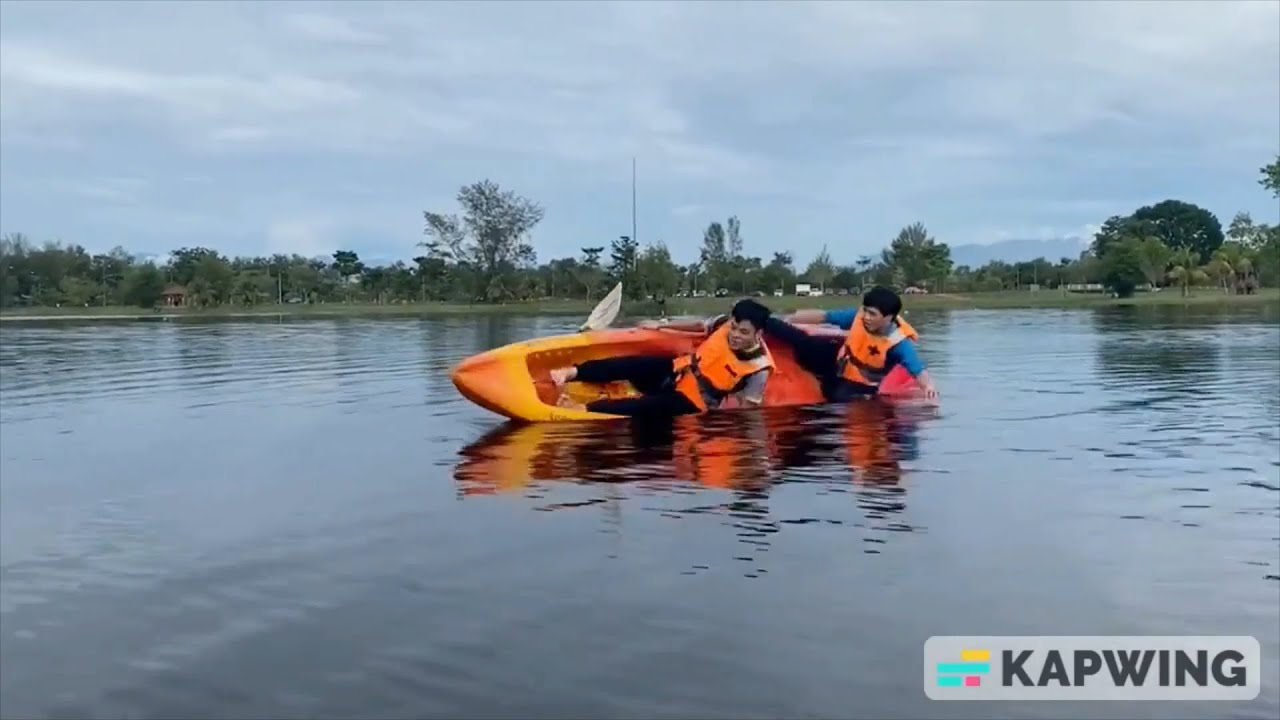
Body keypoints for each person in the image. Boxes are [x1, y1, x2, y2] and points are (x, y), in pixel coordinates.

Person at [549, 298, 775, 417]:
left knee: (646, 407)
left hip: (693, 402)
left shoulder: (758, 369)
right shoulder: (725, 323)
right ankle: (572, 372)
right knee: (635, 364)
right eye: (734, 328)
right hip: (678, 371)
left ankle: (585, 409)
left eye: (743, 332)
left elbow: (748, 410)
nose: (735, 335)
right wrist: (661, 325)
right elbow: (699, 325)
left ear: (758, 334)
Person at [765, 286, 938, 403]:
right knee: (806, 342)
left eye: (872, 314)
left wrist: (929, 388)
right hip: (841, 365)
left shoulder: (898, 342)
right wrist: (790, 319)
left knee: (838, 399)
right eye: (866, 310)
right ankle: (763, 320)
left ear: (888, 317)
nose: (866, 317)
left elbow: (918, 369)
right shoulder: (858, 317)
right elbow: (825, 316)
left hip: (861, 385)